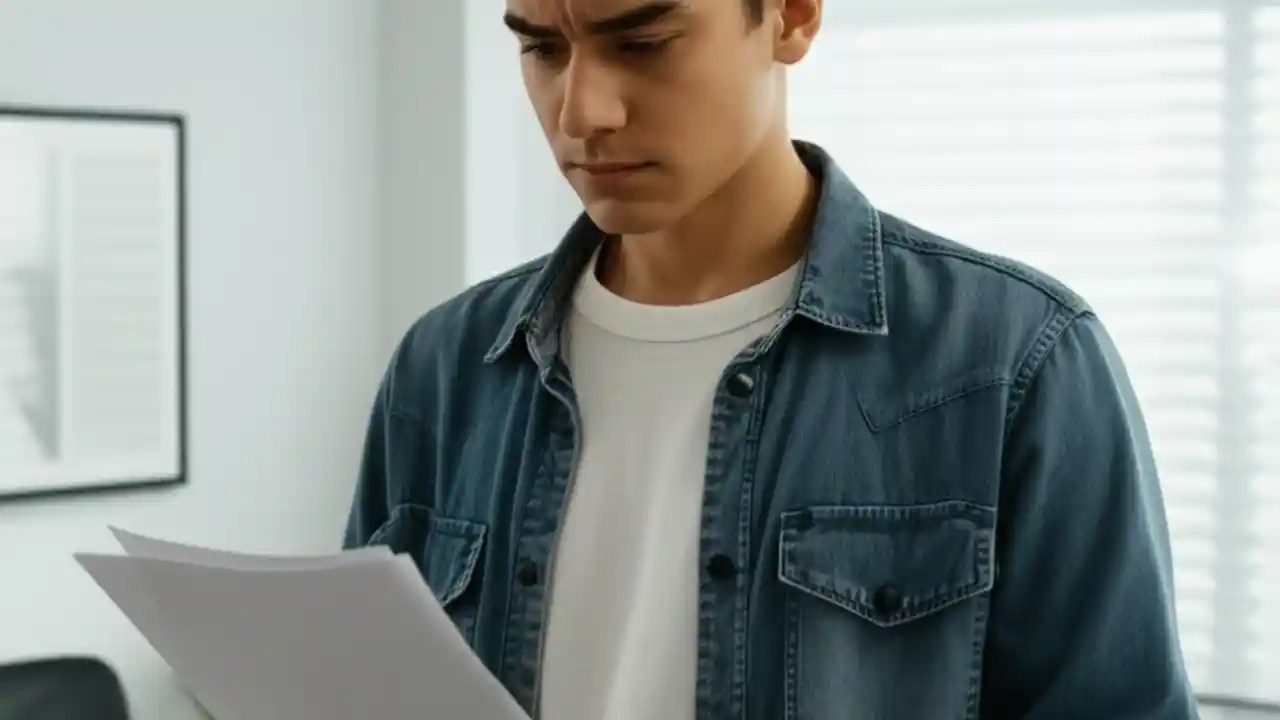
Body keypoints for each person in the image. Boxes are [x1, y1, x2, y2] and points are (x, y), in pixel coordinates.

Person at [343, 0, 1200, 717]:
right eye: (541, 47)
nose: (581, 112)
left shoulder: (1014, 362)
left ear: (792, 15)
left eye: (642, 43)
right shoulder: (444, 369)